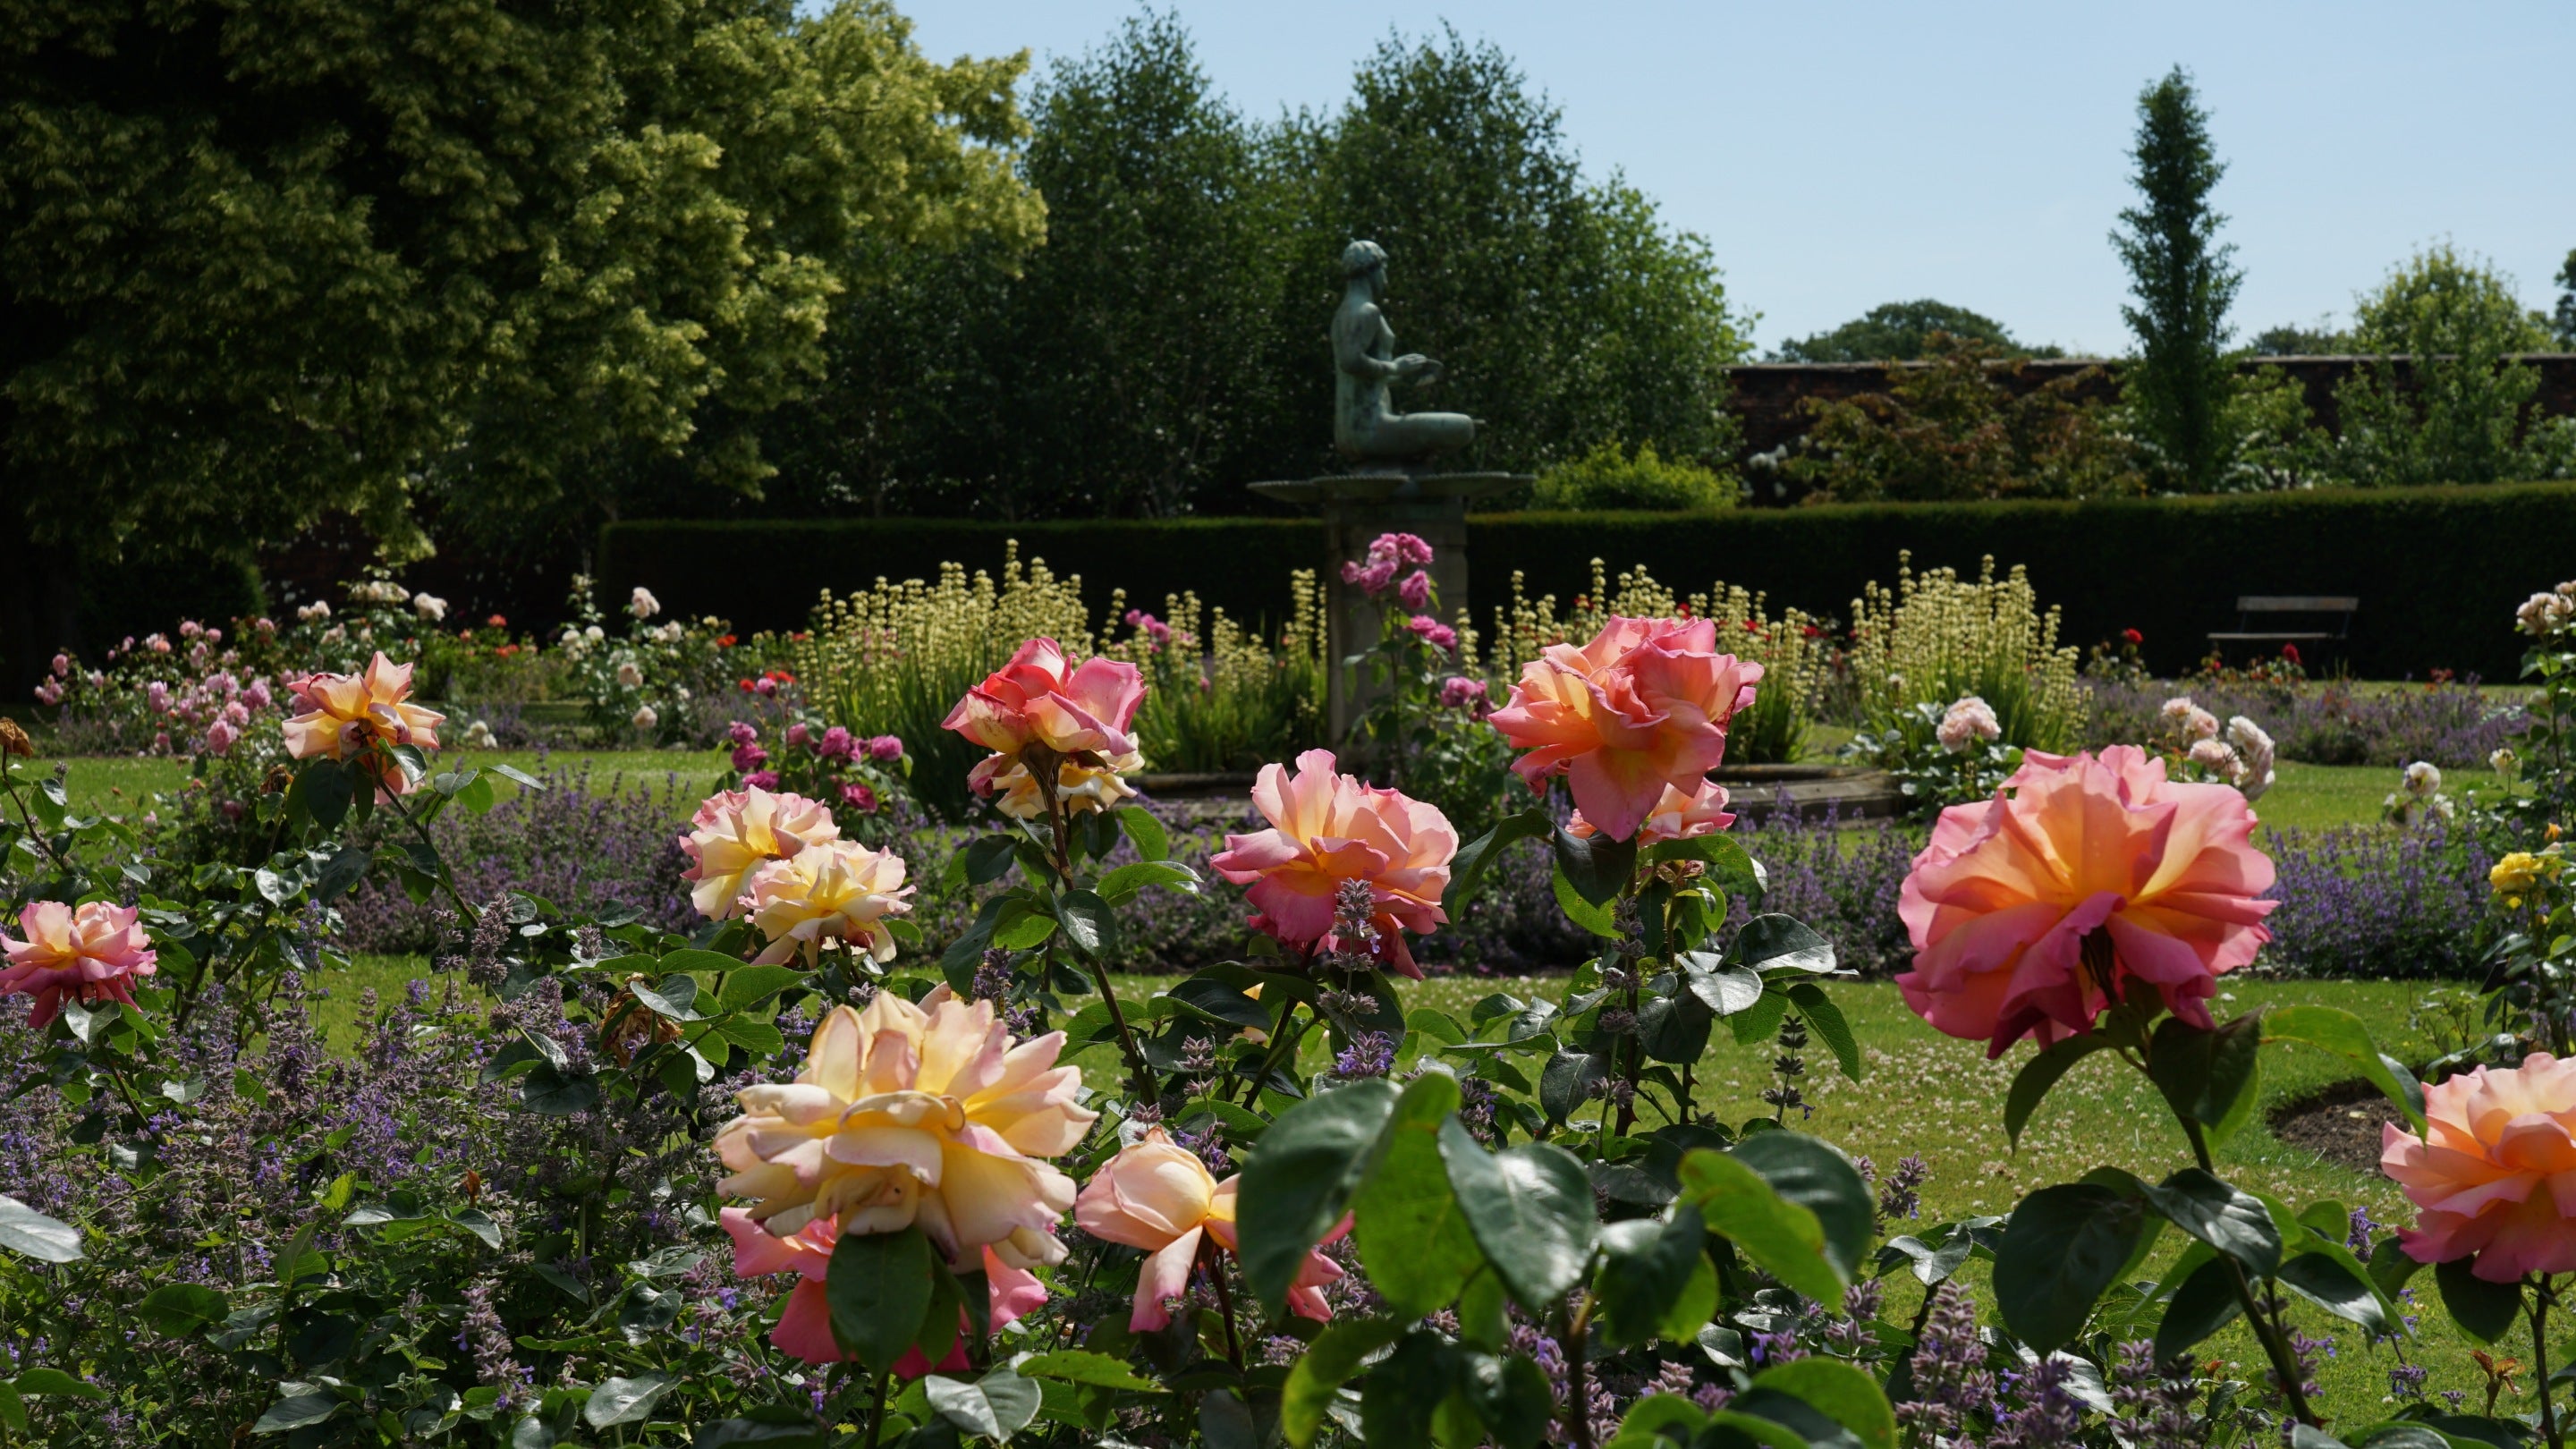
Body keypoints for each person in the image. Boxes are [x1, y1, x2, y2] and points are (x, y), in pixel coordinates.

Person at [1332, 240, 1477, 464]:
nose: (1386, 279)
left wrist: (1402, 376)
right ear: (1371, 269)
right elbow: (1351, 362)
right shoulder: (1366, 311)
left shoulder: (1343, 313)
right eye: (1384, 271)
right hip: (1371, 429)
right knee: (1463, 426)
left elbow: (1363, 378)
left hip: (1347, 431)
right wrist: (1396, 367)